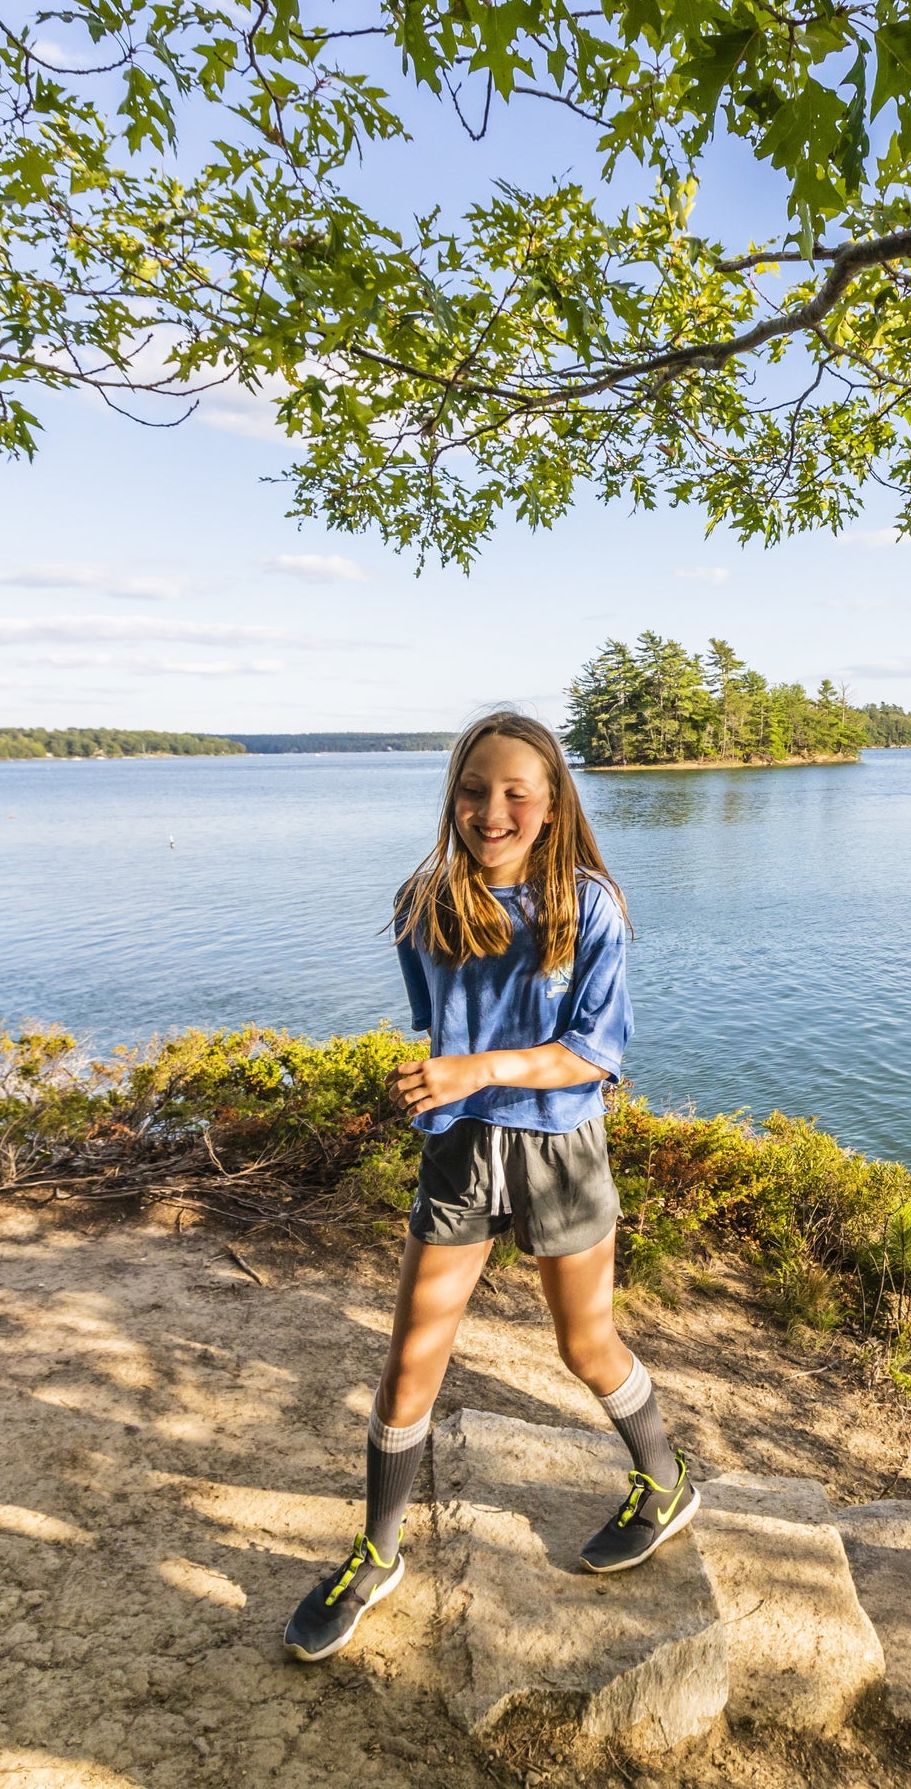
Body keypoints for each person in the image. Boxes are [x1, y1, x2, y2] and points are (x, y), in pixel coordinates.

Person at [283, 711, 697, 1663]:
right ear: (453, 799)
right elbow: (440, 1024)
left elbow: (594, 1054)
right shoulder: (422, 902)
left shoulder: (590, 906)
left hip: (562, 1149)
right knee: (411, 1358)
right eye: (474, 790)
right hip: (460, 1150)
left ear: (553, 804)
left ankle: (666, 1481)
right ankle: (377, 1553)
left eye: (516, 792)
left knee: (585, 1343)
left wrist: (473, 1070)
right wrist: (452, 1078)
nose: (492, 810)